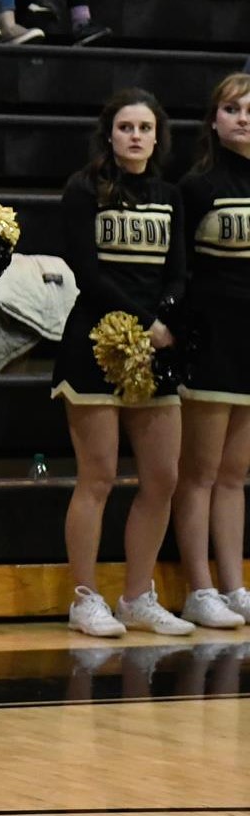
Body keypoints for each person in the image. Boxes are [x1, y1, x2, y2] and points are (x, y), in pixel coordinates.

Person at [52, 91, 194, 639]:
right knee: (99, 476)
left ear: (158, 136)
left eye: (145, 127)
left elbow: (178, 272)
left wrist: (168, 318)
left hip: (157, 345)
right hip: (94, 341)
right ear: (108, 133)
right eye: (125, 126)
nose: (135, 135)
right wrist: (144, 320)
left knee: (163, 477)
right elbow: (88, 272)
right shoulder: (83, 189)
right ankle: (84, 598)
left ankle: (137, 596)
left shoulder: (171, 196)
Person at [171, 74, 250, 629]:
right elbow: (180, 273)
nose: (243, 118)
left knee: (236, 474)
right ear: (214, 120)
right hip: (210, 339)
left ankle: (235, 583)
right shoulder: (195, 188)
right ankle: (199, 586)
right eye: (231, 108)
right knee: (199, 471)